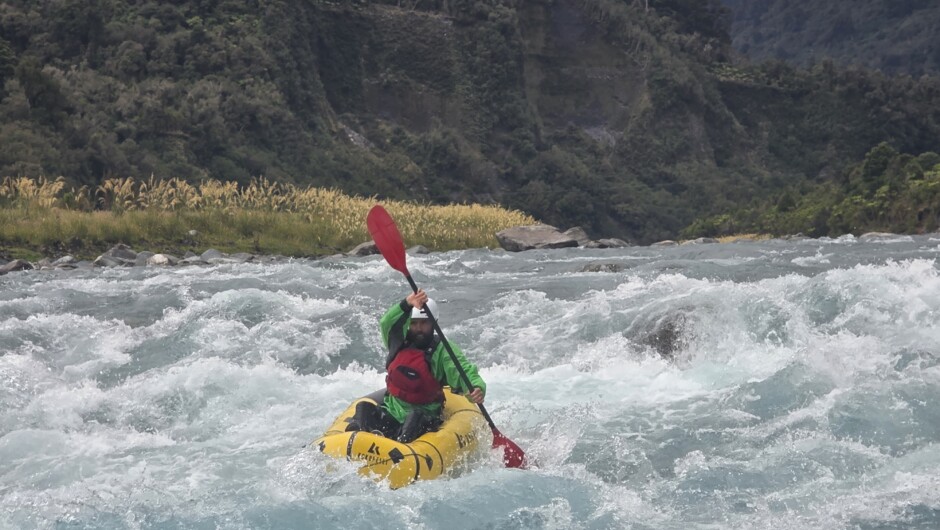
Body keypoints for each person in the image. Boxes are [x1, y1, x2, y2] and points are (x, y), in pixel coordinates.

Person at [347, 289, 486, 443]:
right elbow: (386, 322)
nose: (418, 328)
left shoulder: (444, 350)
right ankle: (357, 442)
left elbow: (463, 371)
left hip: (424, 416)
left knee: (415, 417)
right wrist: (407, 303)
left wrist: (476, 387)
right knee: (363, 408)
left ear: (434, 323)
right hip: (393, 412)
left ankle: (402, 447)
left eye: (424, 323)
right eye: (414, 323)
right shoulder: (398, 342)